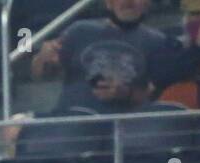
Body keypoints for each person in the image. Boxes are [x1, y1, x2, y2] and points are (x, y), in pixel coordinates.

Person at [31, 0, 181, 112]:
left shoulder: (158, 41)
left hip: (124, 130)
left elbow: (155, 94)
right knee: (15, 126)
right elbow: (41, 74)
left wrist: (126, 93)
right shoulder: (79, 30)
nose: (128, 2)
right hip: (71, 122)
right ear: (108, 3)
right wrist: (43, 57)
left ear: (147, 3)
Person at [159, 0, 200, 109]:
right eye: (196, 13)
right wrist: (197, 47)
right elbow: (165, 77)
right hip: (181, 112)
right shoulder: (173, 44)